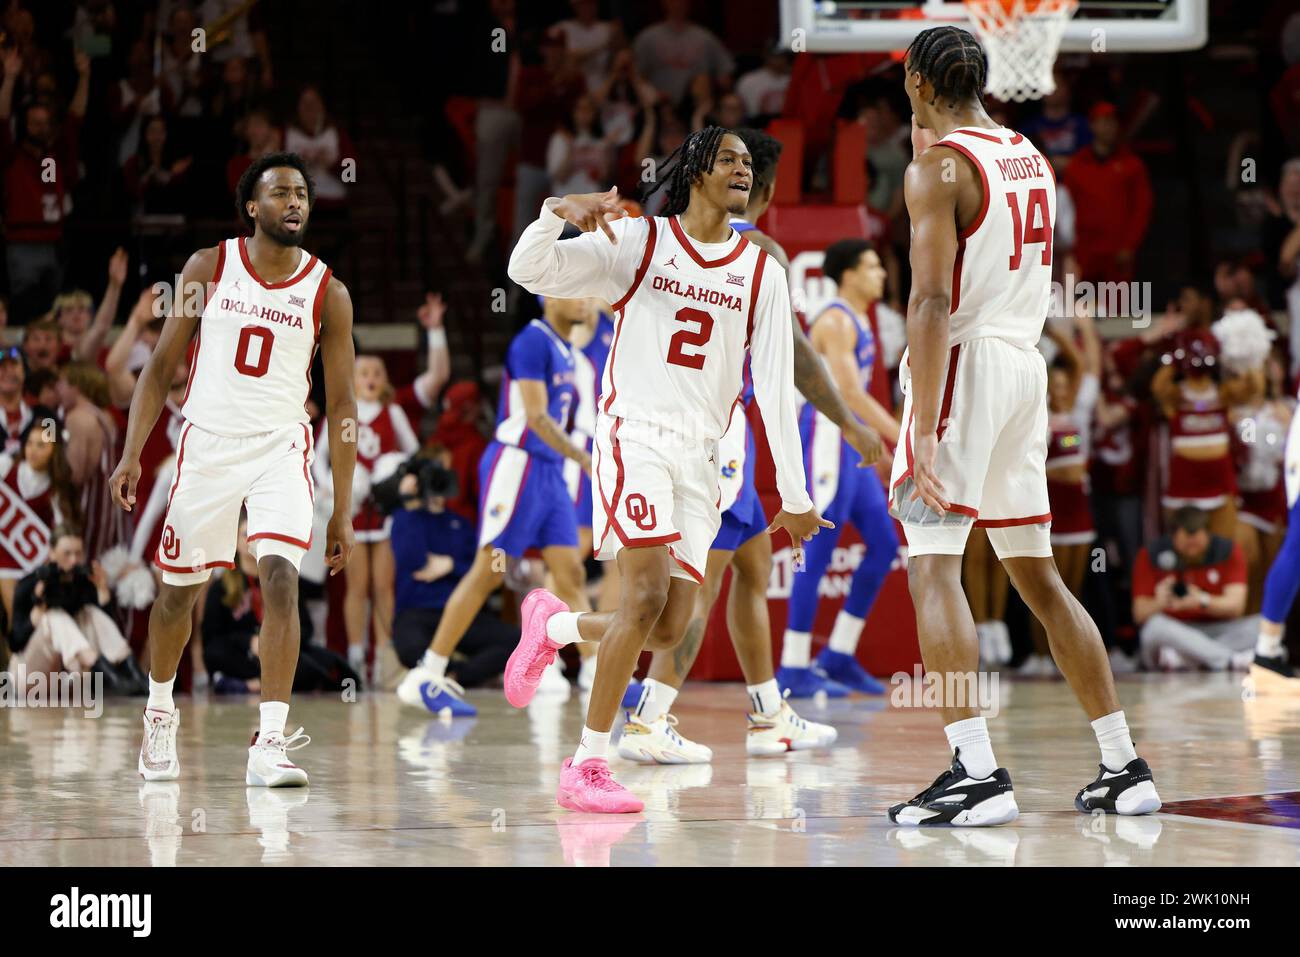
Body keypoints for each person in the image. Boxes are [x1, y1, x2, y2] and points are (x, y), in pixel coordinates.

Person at [504, 126, 832, 813]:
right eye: (729, 159)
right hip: (636, 438)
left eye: (748, 162)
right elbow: (527, 273)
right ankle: (588, 763)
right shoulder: (640, 242)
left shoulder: (761, 270)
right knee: (647, 593)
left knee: (666, 624)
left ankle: (554, 628)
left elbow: (774, 390)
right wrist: (553, 213)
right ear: (695, 173)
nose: (742, 169)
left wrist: (797, 498)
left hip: (703, 458)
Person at [885, 27, 1160, 826]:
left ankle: (974, 770)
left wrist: (928, 426)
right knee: (1037, 575)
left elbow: (931, 301)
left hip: (963, 366)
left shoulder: (935, 170)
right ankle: (1122, 764)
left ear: (915, 81)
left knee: (934, 565)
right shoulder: (1027, 154)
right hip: (1024, 368)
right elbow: (959, 185)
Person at [612, 127, 883, 762]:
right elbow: (796, 361)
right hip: (717, 442)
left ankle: (767, 712)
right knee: (704, 582)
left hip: (690, 431)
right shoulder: (757, 251)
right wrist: (849, 422)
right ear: (760, 185)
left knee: (753, 568)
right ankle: (649, 716)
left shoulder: (672, 242)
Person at [110, 151, 357, 788]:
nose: (295, 202)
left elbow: (346, 404)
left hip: (282, 446)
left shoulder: (329, 291)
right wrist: (134, 452)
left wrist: (345, 510)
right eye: (280, 193)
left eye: (302, 193)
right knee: (177, 598)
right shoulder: (208, 266)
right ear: (252, 206)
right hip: (209, 445)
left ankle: (269, 740)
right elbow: (161, 366)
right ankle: (160, 711)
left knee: (280, 582)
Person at [395, 296, 594, 716]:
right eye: (574, 288)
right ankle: (428, 673)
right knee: (490, 571)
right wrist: (585, 459)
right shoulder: (531, 342)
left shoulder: (570, 352)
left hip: (550, 470)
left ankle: (596, 673)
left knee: (571, 569)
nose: (585, 298)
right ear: (547, 295)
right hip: (517, 464)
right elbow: (538, 418)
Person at [780, 239, 900, 697]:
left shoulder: (859, 319)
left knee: (884, 544)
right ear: (848, 274)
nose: (881, 274)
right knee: (818, 547)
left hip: (849, 441)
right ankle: (793, 667)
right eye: (872, 267)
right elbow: (850, 396)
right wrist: (898, 435)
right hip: (827, 437)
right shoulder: (833, 320)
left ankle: (838, 655)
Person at [313, 354, 419, 681]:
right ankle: (357, 654)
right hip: (355, 508)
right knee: (356, 586)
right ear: (353, 379)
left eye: (377, 372)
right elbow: (319, 456)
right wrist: (328, 489)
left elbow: (412, 450)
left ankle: (383, 657)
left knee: (383, 585)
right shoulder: (343, 412)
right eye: (364, 373)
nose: (371, 378)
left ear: (384, 380)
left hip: (383, 507)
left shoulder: (394, 412)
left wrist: (397, 473)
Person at [389, 450, 516, 694]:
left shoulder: (461, 524)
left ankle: (456, 676)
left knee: (514, 640)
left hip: (459, 610)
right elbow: (412, 561)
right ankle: (445, 673)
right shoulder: (405, 519)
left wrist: (450, 565)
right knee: (409, 648)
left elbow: (484, 569)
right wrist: (410, 503)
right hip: (417, 611)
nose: (436, 488)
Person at [7, 525, 144, 695]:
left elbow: (105, 629)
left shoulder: (82, 583)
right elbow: (14, 643)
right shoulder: (29, 584)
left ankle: (132, 670)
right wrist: (37, 613)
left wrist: (102, 591)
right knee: (55, 616)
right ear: (52, 553)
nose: (73, 560)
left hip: (66, 678)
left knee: (89, 612)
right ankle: (108, 675)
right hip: (29, 678)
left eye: (78, 553)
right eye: (67, 553)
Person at [1132, 507, 1258, 671]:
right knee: (1153, 628)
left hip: (1216, 629)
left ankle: (1187, 659)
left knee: (1262, 626)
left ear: (1207, 534)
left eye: (1197, 544)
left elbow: (1236, 607)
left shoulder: (1227, 551)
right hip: (1174, 631)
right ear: (1173, 537)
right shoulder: (1151, 554)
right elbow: (1139, 614)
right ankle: (1228, 660)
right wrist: (1160, 602)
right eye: (1186, 545)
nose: (1192, 550)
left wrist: (1201, 600)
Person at [0, 412, 80, 621]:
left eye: (41, 446)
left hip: (35, 563)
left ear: (54, 451)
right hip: (4, 559)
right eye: (30, 444)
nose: (33, 451)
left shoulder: (56, 490)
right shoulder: (7, 466)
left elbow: (61, 530)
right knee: (15, 615)